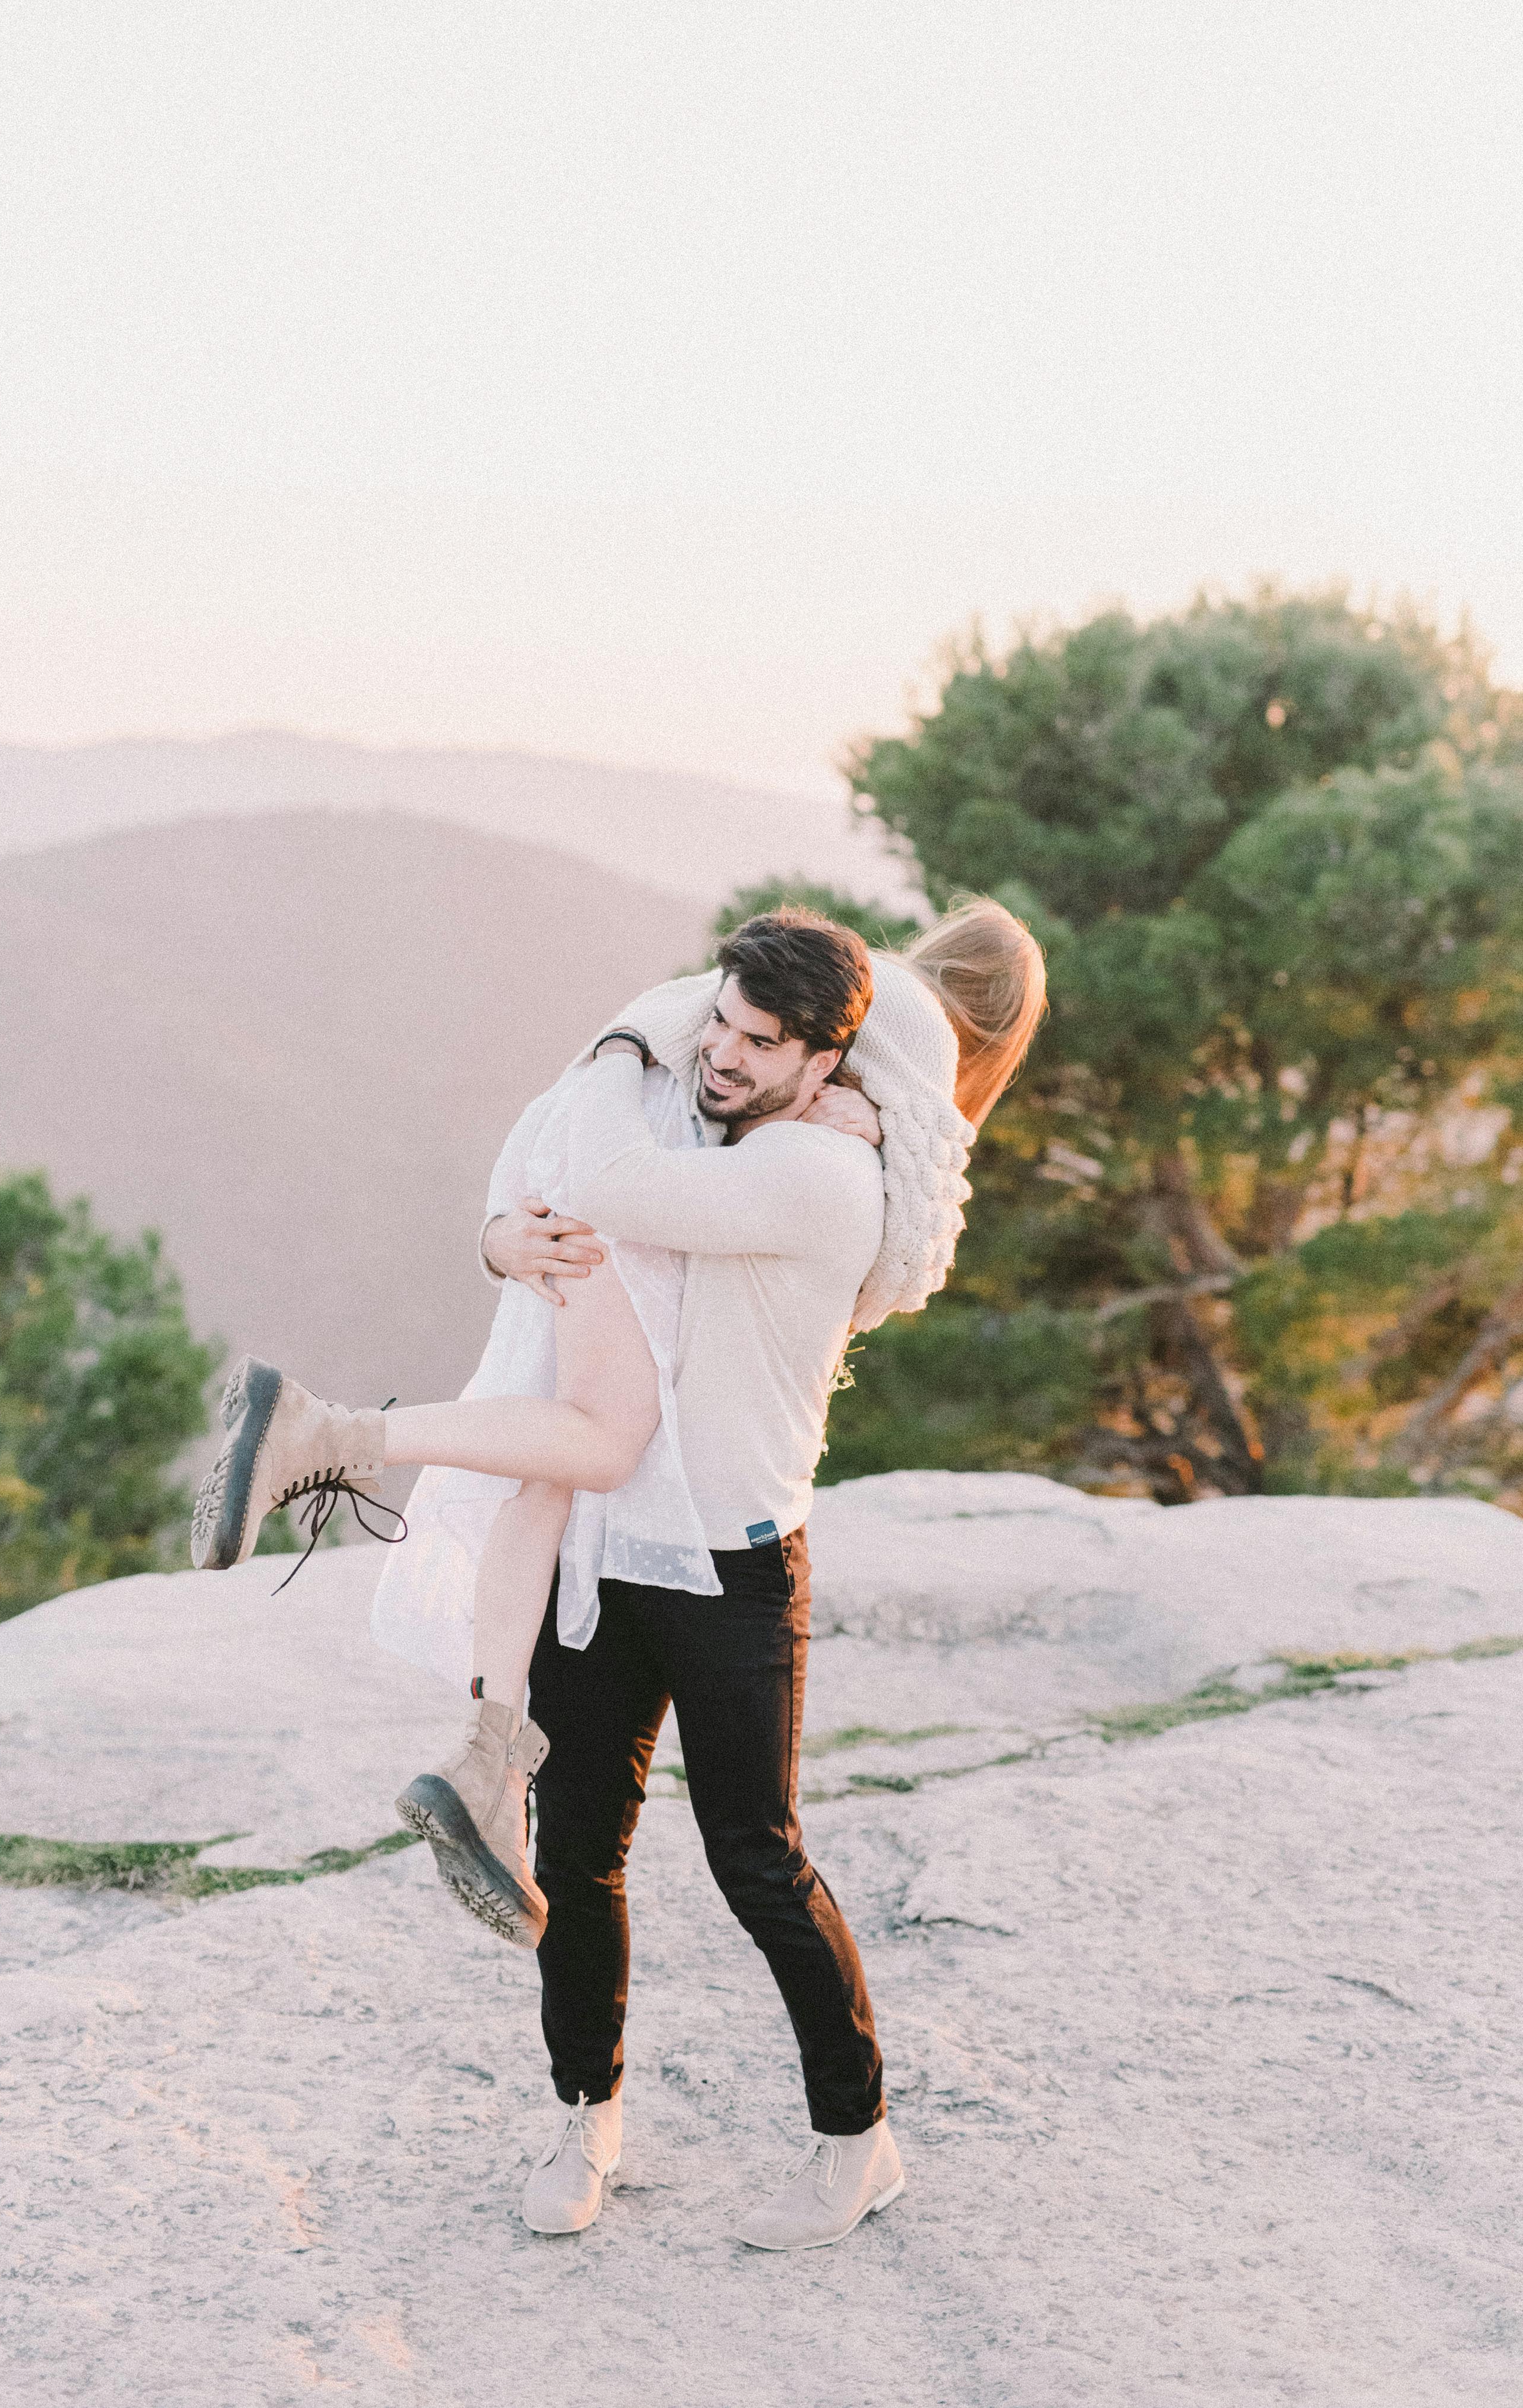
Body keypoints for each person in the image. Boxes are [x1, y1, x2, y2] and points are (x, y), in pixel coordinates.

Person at [192, 898, 1044, 2248]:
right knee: (578, 1852)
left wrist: (614, 1043)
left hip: (734, 1574)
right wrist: (495, 1237)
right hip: (610, 1546)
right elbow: (550, 1180)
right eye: (720, 1021)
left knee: (756, 1861)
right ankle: (584, 2120)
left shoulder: (819, 1178)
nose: (722, 1055)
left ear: (831, 1065)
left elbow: (601, 1183)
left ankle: (856, 2140)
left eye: (761, 1044)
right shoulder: (727, 1119)